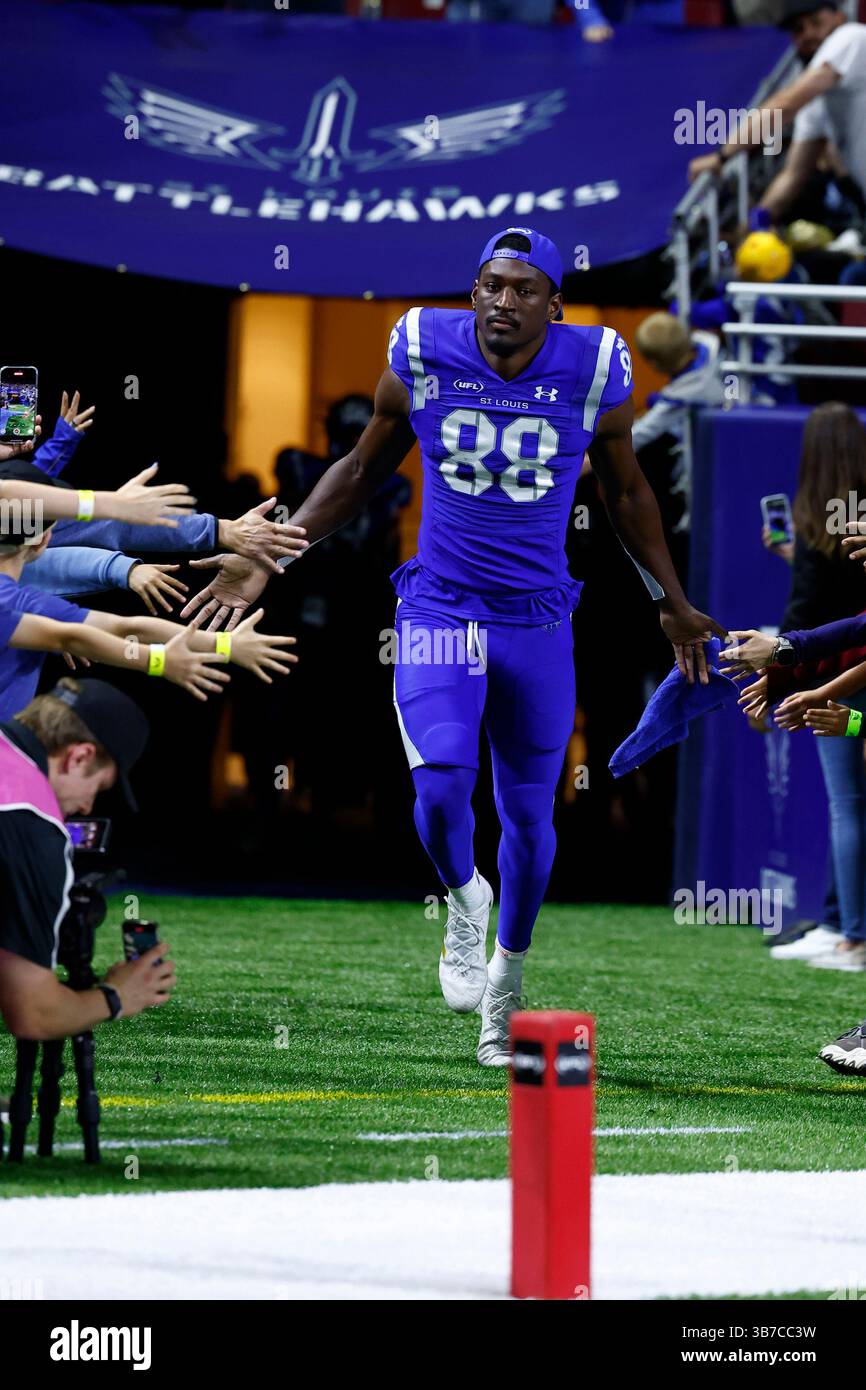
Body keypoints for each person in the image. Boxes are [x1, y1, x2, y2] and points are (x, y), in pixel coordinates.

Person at [179, 226, 722, 1066]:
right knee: (438, 791)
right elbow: (362, 470)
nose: (502, 301)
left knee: (530, 819)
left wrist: (672, 602)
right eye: (489, 285)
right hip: (439, 606)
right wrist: (268, 555)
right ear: (473, 291)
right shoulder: (422, 347)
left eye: (521, 288)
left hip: (537, 616)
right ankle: (466, 900)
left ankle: (505, 986)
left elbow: (626, 492)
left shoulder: (594, 367)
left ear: (553, 302)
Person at [723, 402, 866, 970]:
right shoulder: (845, 516)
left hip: (839, 677)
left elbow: (815, 613)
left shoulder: (814, 516)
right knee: (851, 804)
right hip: (846, 670)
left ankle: (851, 935)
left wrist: (778, 671)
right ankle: (839, 925)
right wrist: (793, 555)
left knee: (847, 805)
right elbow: (847, 609)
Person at [0, 679, 175, 1040]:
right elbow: (34, 1013)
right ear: (79, 756)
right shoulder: (34, 821)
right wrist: (117, 996)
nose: (87, 808)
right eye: (98, 787)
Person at [688, 3, 866, 225]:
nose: (808, 33)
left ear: (839, 18)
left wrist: (722, 156)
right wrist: (753, 228)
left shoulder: (851, 37)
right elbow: (792, 176)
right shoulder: (818, 102)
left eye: (816, 22)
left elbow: (786, 102)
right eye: (798, 29)